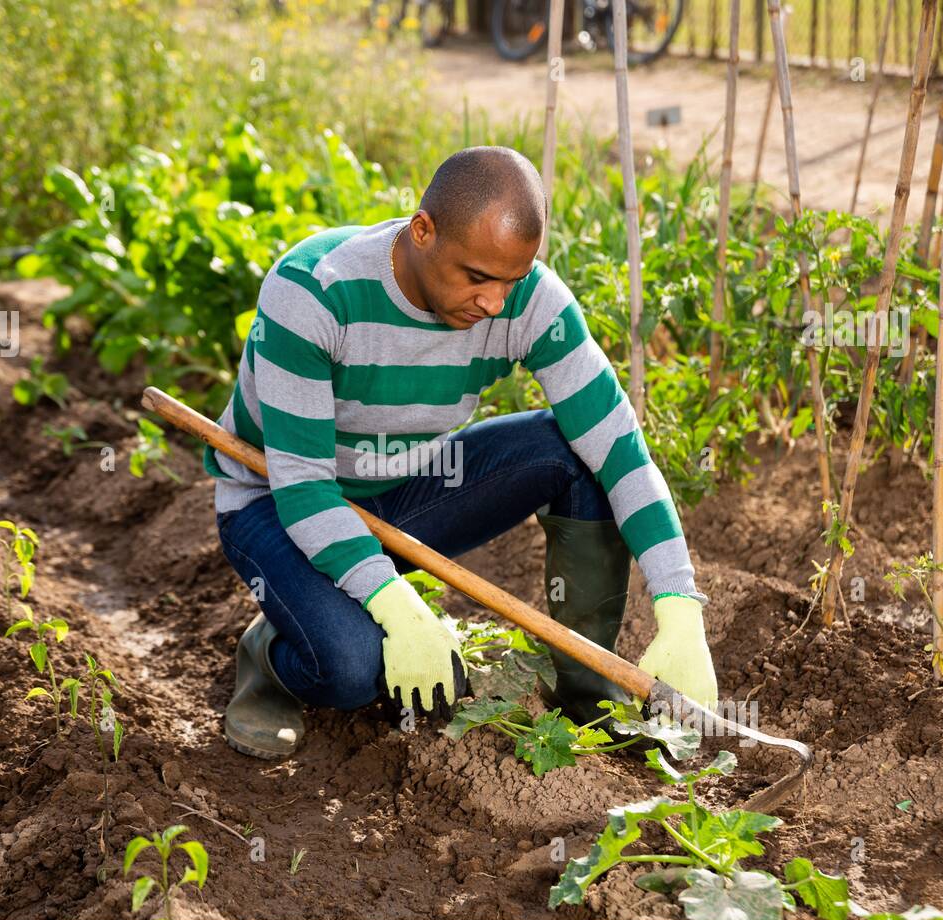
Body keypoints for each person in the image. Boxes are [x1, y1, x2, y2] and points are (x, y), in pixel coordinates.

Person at [205, 145, 717, 759]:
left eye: (513, 279)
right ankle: (272, 656)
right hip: (277, 499)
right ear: (422, 231)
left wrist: (680, 606)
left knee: (572, 453)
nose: (495, 303)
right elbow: (307, 491)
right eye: (476, 277)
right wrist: (399, 610)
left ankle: (588, 697)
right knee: (352, 668)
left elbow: (621, 453)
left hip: (404, 484)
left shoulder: (532, 303)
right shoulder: (313, 292)